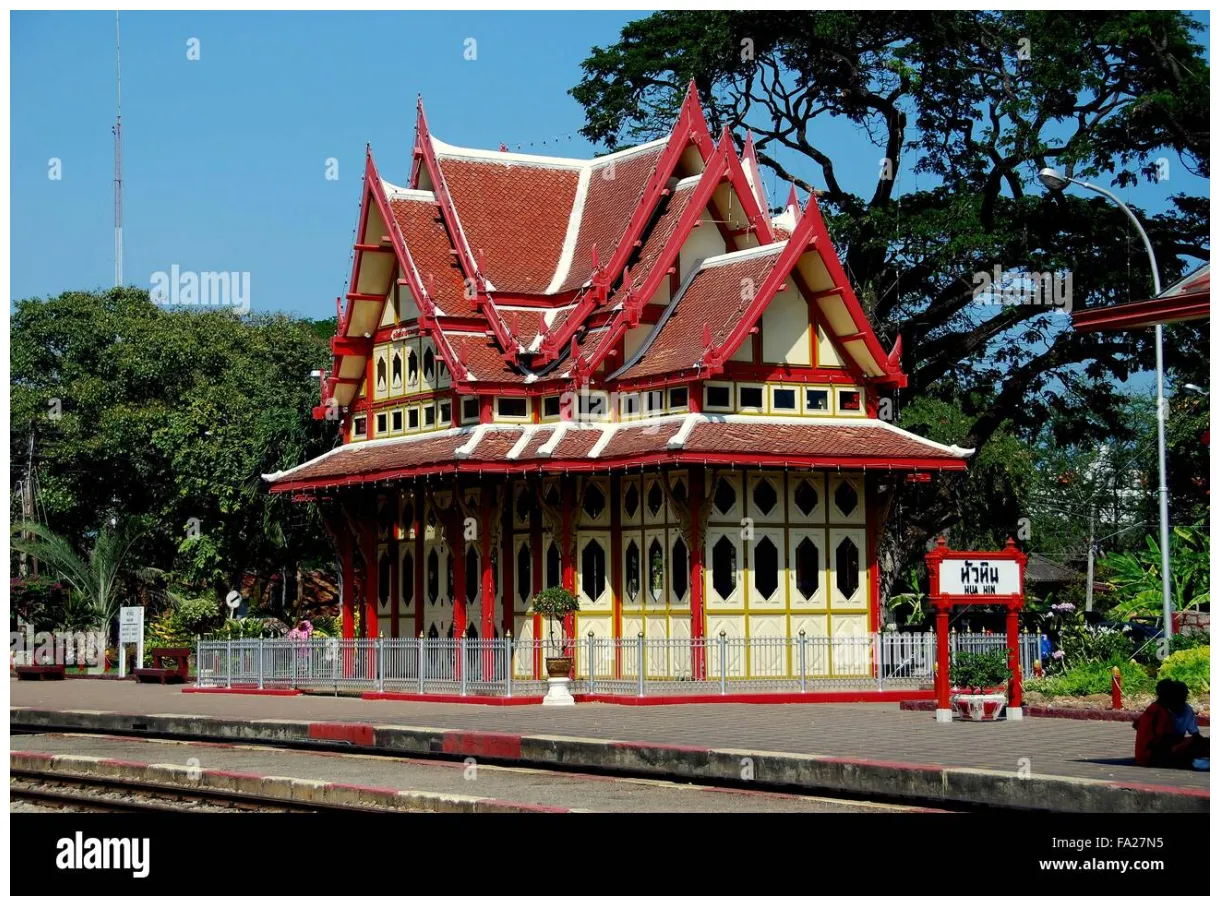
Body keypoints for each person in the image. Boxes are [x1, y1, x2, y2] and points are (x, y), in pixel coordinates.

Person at [1134, 679, 1209, 769]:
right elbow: (1160, 741)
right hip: (1152, 754)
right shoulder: (1159, 711)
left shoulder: (1185, 709)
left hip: (1166, 746)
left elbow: (1195, 735)